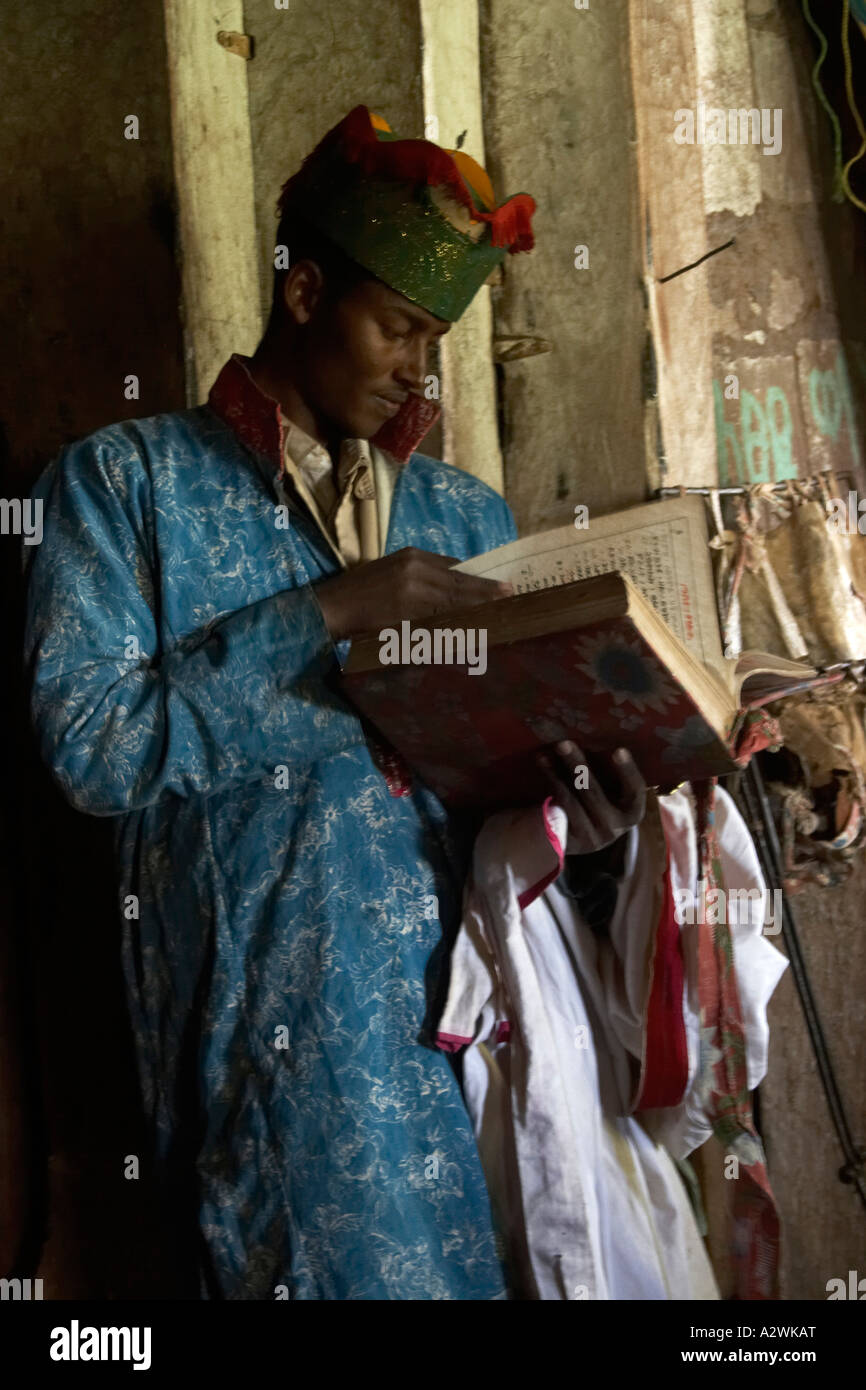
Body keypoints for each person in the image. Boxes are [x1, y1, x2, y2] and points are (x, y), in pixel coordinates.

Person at [22, 105, 648, 1300]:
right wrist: (326, 613)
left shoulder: (465, 520)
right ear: (303, 293)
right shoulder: (126, 484)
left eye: (437, 337)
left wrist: (584, 823)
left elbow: (498, 800)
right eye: (398, 326)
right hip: (286, 1067)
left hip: (489, 1061)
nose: (421, 366)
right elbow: (94, 751)